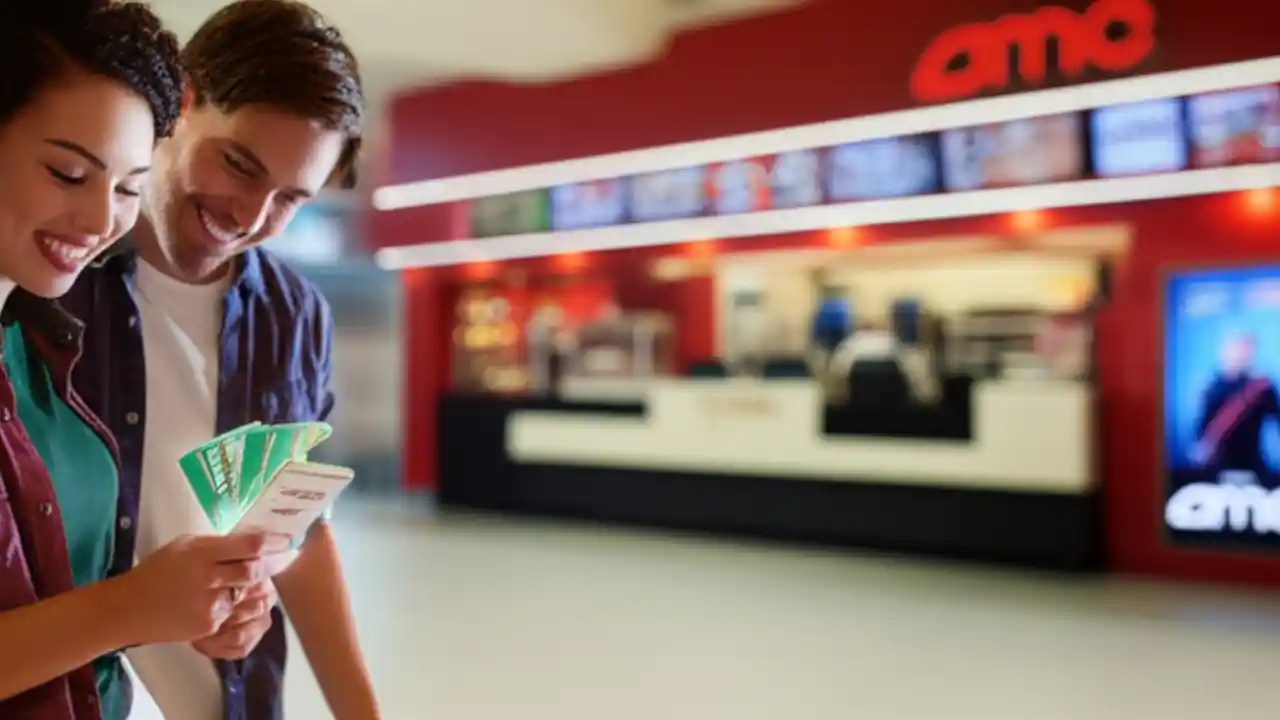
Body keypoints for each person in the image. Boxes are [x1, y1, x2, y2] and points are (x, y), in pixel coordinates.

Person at [62, 1, 379, 718]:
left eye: (290, 199)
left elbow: (295, 529)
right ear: (182, 96)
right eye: (239, 164)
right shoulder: (54, 278)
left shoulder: (294, 316)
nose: (251, 217)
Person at [0, 2, 291, 719]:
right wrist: (129, 608)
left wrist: (186, 601)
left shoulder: (38, 345)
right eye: (69, 173)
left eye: (129, 186)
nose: (103, 221)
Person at [1192, 331, 1280, 485]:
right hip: (1218, 467)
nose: (1243, 353)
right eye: (1238, 348)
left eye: (1247, 349)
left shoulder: (1262, 388)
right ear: (1226, 351)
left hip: (1253, 465)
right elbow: (1202, 428)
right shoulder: (1212, 388)